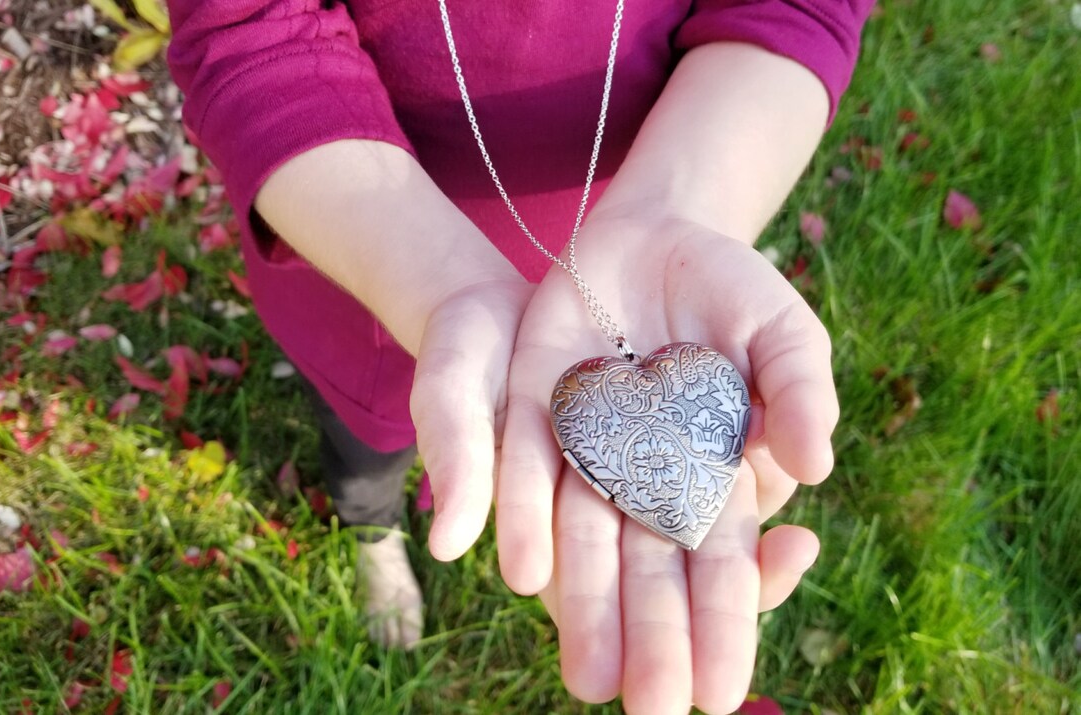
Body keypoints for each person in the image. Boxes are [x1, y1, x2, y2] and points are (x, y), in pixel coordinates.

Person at [165, 2, 874, 713]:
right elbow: (249, 33)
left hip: (626, 242)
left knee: (454, 445)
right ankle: (371, 528)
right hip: (367, 268)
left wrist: (683, 204)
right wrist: (437, 283)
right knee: (365, 443)